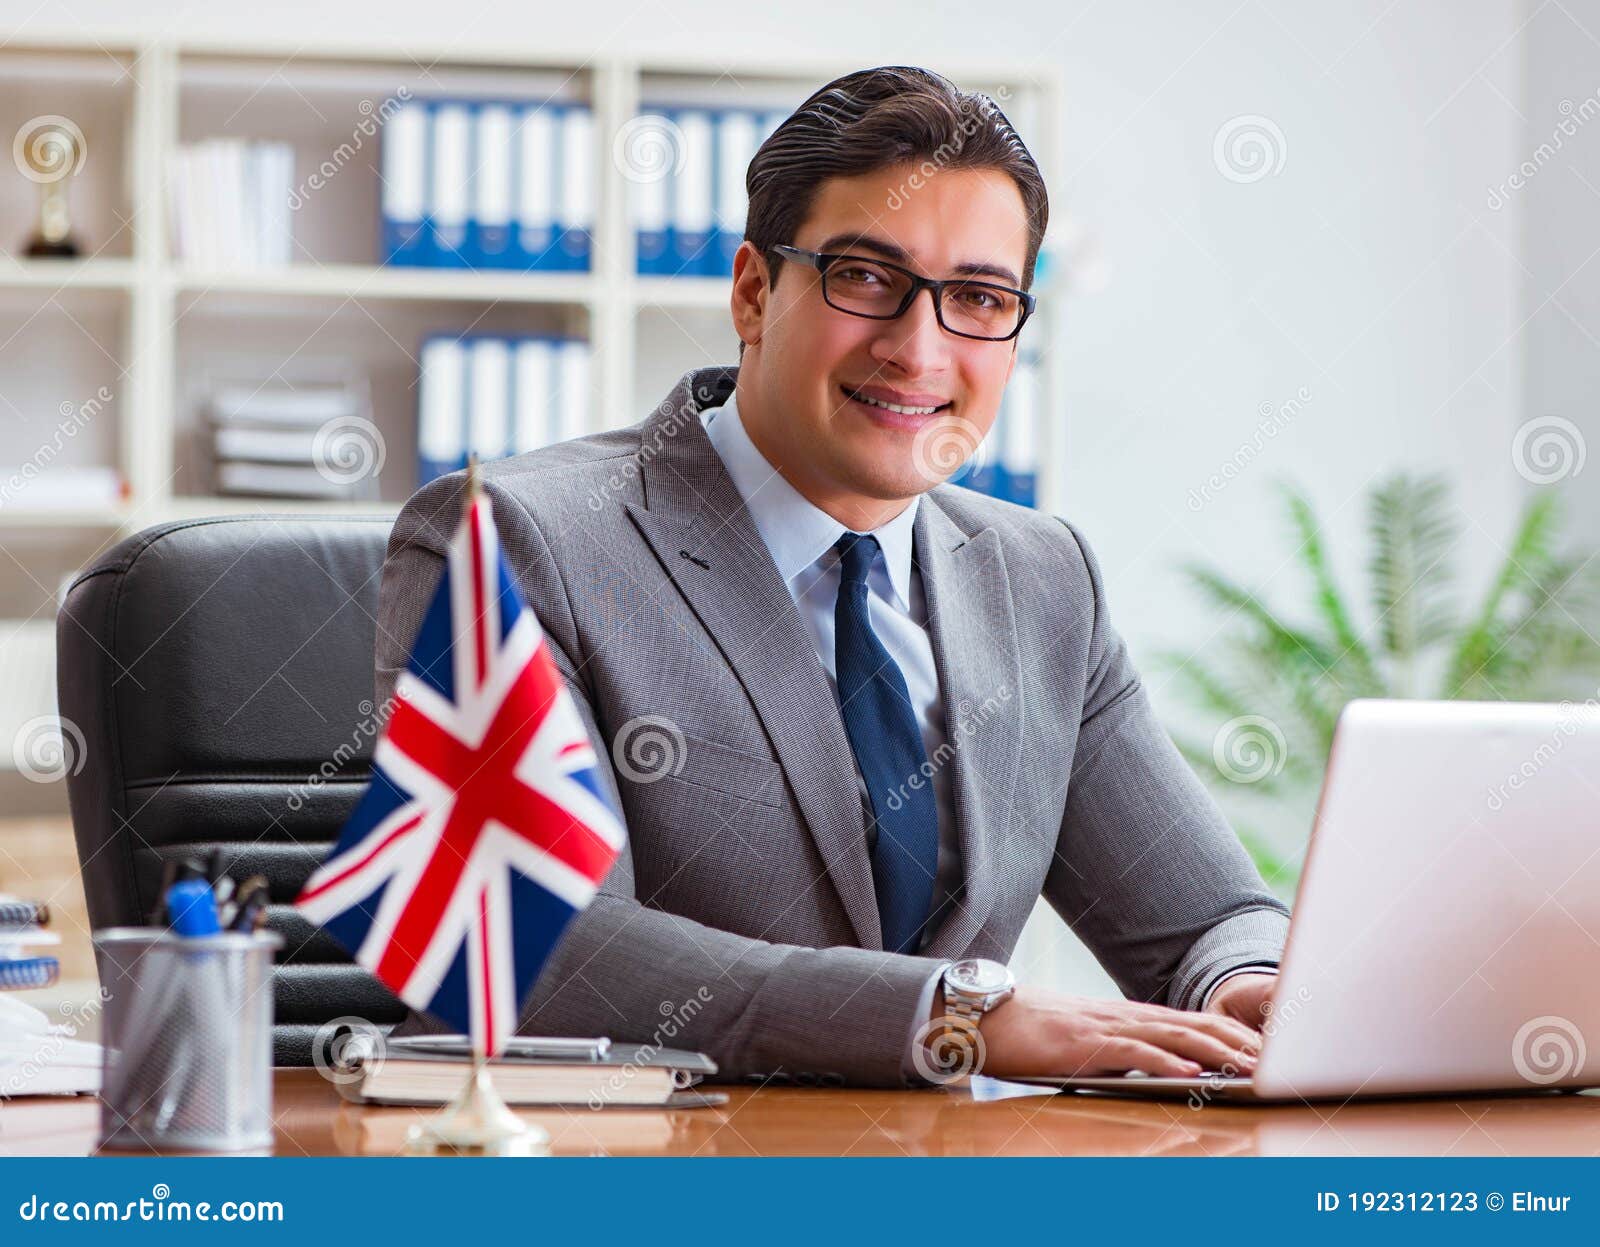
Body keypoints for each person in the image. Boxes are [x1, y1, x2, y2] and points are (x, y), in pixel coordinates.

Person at [376, 65, 1287, 1087]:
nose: (918, 348)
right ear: (754, 290)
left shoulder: (1041, 579)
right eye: (863, 278)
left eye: (978, 299)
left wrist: (1247, 981)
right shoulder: (513, 540)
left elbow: (1201, 919)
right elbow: (525, 942)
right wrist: (950, 1014)